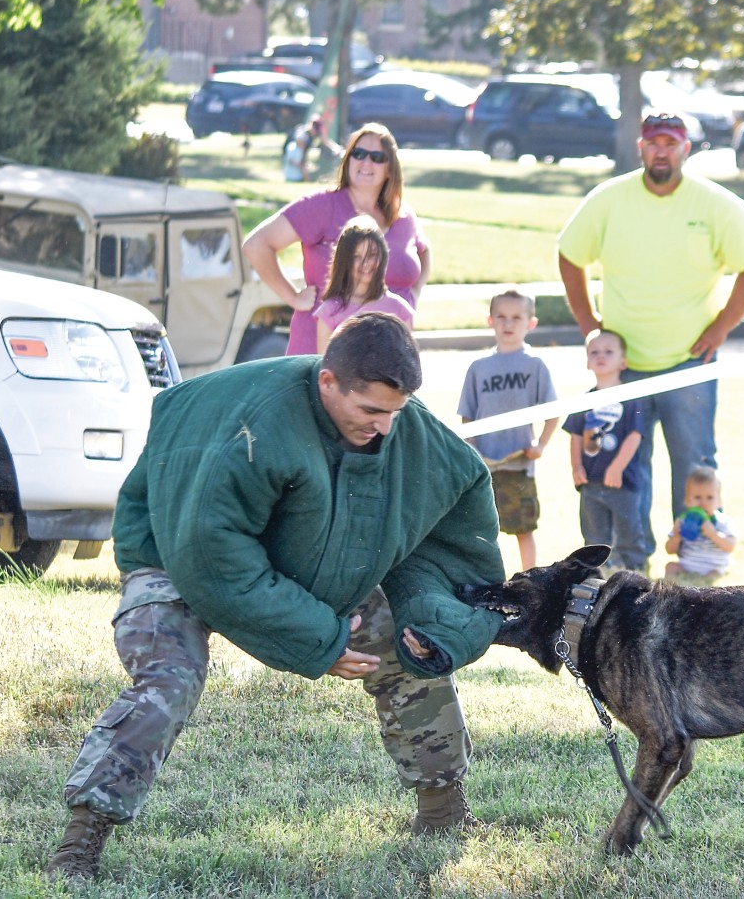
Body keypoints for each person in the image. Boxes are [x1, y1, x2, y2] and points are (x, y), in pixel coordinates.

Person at [45, 313, 506, 883]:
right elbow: (213, 560)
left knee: (409, 651)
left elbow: (458, 512)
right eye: (370, 411)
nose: (386, 427)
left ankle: (445, 814)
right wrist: (320, 637)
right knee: (170, 679)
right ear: (328, 381)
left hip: (314, 557)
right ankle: (81, 841)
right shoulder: (254, 422)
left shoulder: (398, 425)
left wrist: (440, 622)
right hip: (175, 552)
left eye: (396, 411)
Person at [556, 110, 744, 571]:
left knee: (693, 464)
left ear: (686, 149)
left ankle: (693, 562)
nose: (661, 151)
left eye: (670, 143)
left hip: (688, 365)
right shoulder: (609, 200)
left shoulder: (716, 204)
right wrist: (588, 322)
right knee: (623, 470)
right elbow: (569, 255)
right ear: (640, 146)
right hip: (624, 369)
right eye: (653, 142)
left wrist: (722, 327)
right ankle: (627, 566)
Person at [243, 123, 430, 354]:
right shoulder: (322, 206)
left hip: (385, 361)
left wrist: (415, 293)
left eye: (377, 157)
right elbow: (256, 245)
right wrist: (293, 297)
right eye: (358, 154)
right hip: (320, 355)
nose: (366, 162)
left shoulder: (403, 215)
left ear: (390, 168)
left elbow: (424, 251)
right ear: (348, 159)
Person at [457, 289, 558, 571]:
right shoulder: (479, 367)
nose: (508, 324)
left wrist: (540, 444)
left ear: (531, 323)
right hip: (486, 467)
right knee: (483, 532)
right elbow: (468, 415)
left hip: (518, 464)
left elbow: (553, 411)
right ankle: (489, 579)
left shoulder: (534, 365)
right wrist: (473, 450)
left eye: (516, 317)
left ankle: (529, 579)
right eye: (501, 316)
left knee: (523, 528)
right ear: (490, 320)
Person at [562, 329, 645, 572]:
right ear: (588, 361)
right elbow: (576, 436)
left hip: (622, 483)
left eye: (609, 351)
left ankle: (636, 573)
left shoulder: (632, 398)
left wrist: (617, 467)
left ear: (623, 362)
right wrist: (576, 467)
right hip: (591, 482)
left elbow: (635, 435)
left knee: (629, 533)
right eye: (594, 352)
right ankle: (598, 577)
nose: (601, 356)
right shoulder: (584, 400)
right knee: (594, 536)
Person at [315, 215, 415, 353]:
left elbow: (408, 368)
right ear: (345, 261)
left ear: (383, 256)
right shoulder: (329, 312)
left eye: (372, 254)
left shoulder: (400, 310)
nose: (366, 263)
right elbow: (324, 368)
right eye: (357, 256)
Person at [664, 465, 737, 582]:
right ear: (687, 500)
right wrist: (676, 537)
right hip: (687, 566)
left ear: (719, 501)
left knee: (714, 575)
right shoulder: (683, 521)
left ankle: (707, 580)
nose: (703, 503)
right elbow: (669, 550)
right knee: (671, 567)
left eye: (710, 497)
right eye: (697, 497)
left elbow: (730, 547)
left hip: (713, 567)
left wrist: (713, 534)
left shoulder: (722, 522)